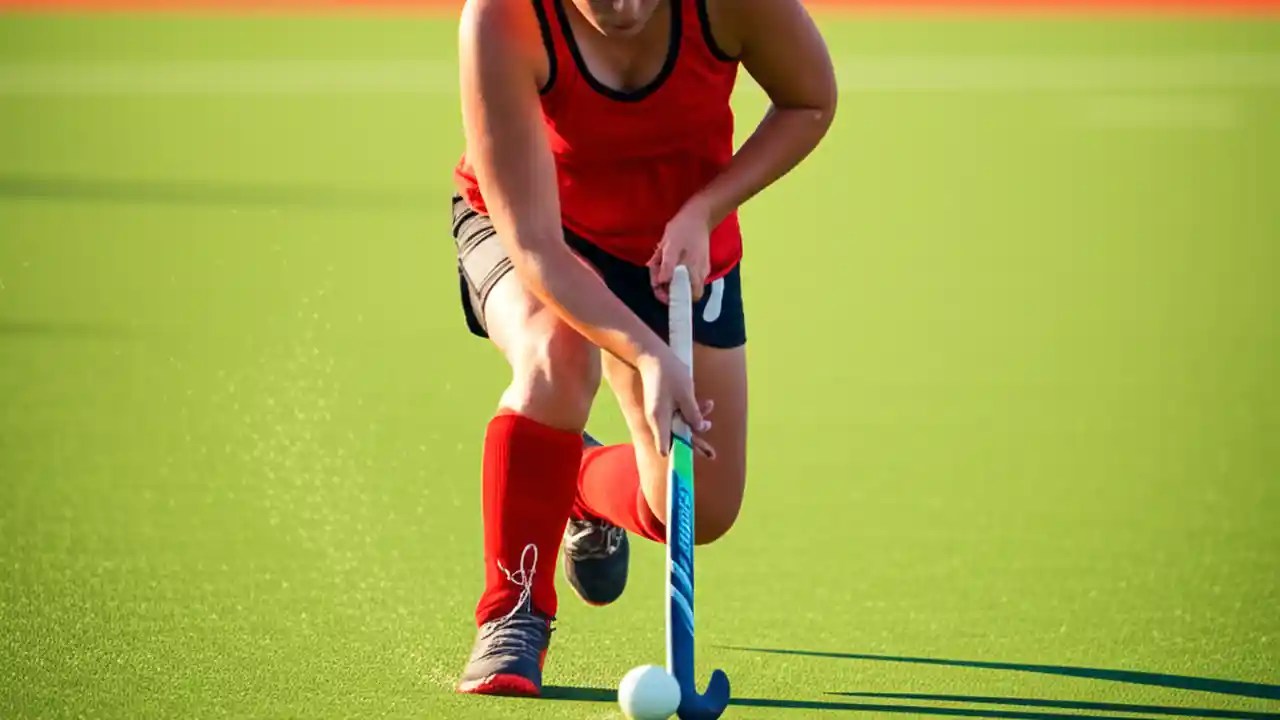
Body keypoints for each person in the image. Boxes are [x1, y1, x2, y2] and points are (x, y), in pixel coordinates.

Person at [450, 0, 836, 697]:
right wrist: (648, 354)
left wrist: (705, 208)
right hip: (541, 229)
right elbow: (534, 244)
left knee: (698, 509)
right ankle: (513, 614)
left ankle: (573, 481)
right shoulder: (502, 19)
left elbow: (809, 100)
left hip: (675, 247)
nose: (623, 5)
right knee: (556, 357)